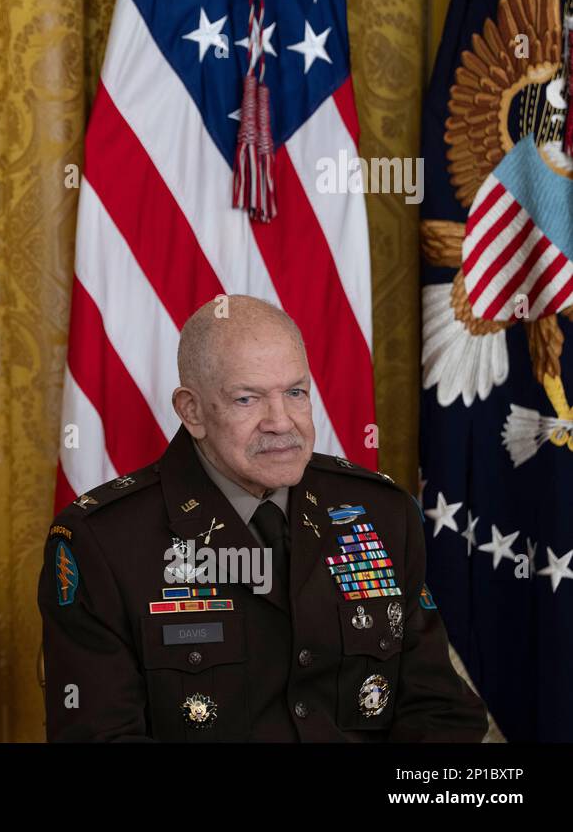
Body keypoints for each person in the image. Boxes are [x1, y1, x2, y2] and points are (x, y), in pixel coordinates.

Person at [39, 294, 488, 741]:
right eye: (247, 399)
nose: (281, 422)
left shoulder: (382, 513)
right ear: (191, 411)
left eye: (295, 393)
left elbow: (441, 711)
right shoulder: (104, 542)